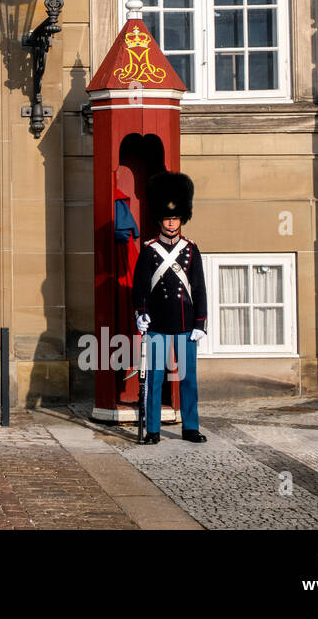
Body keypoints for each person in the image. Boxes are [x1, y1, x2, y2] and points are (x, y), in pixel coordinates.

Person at [132, 170, 207, 445]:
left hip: (186, 325)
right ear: (160, 220)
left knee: (188, 380)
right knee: (154, 380)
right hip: (158, 326)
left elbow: (198, 288)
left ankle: (190, 427)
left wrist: (200, 324)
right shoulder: (149, 249)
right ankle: (153, 429)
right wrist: (140, 314)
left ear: (182, 218)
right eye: (167, 217)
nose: (171, 222)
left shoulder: (191, 249)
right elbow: (139, 287)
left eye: (175, 217)